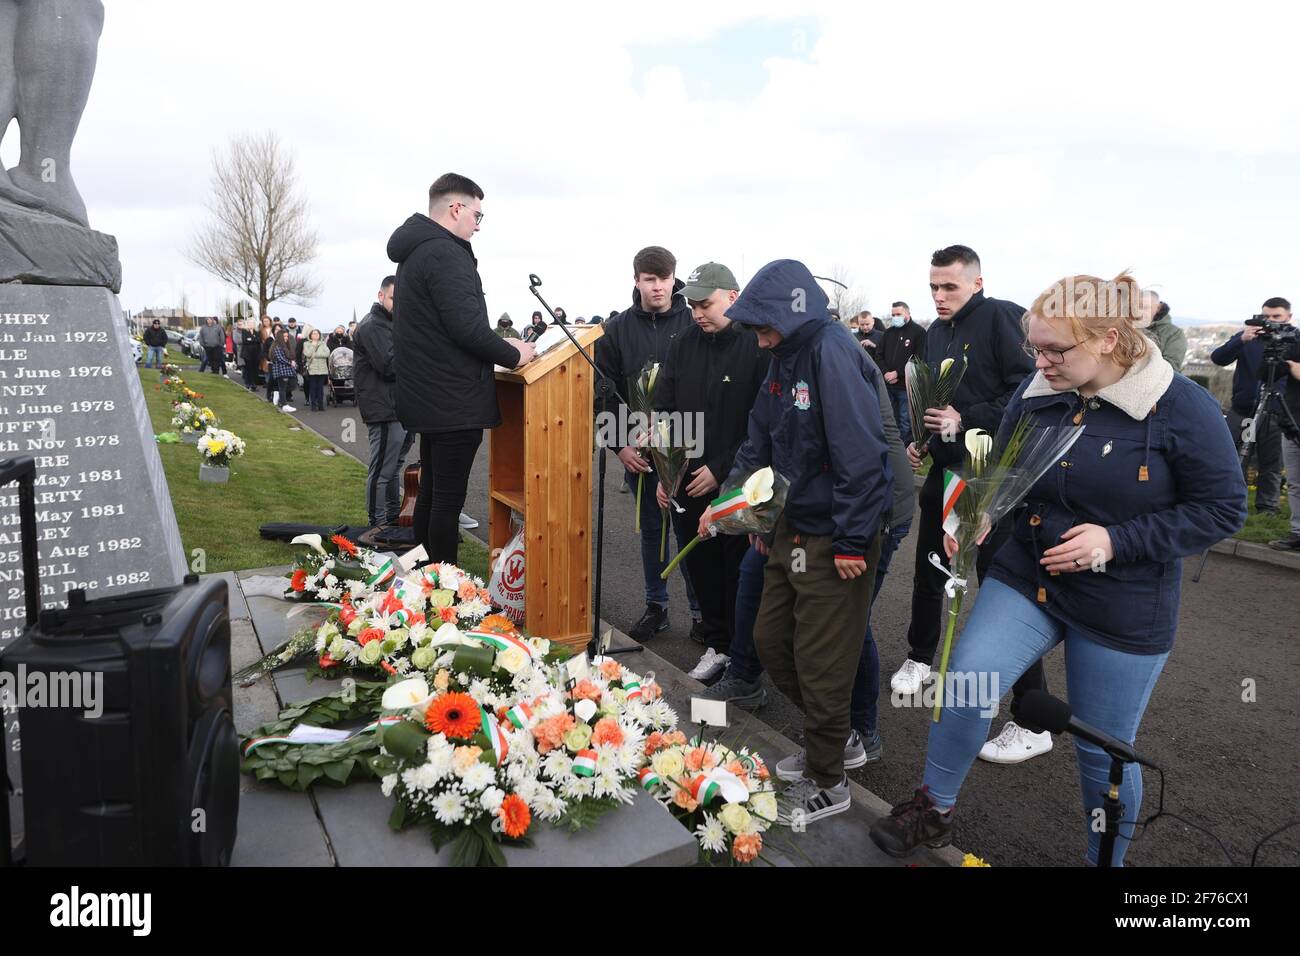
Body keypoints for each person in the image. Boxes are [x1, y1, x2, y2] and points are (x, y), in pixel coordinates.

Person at [870, 273, 1247, 864]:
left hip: (1124, 598)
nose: (1040, 362)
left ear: (1109, 339)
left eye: (1055, 350)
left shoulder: (1182, 407)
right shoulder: (1038, 388)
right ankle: (933, 807)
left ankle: (1107, 863)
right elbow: (1007, 467)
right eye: (1035, 348)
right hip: (1031, 572)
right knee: (967, 685)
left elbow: (1224, 509)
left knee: (1101, 749)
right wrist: (987, 508)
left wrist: (1117, 540)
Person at [700, 258, 890, 826]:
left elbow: (862, 454)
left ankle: (829, 779)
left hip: (838, 533)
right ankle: (834, 738)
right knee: (769, 639)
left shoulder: (832, 351)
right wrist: (746, 515)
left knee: (822, 658)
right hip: (791, 528)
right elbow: (760, 442)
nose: (757, 340)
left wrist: (855, 540)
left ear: (790, 312)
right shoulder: (783, 356)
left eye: (764, 326)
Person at [891, 245, 1052, 766]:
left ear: (977, 283)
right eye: (933, 287)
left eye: (950, 288)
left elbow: (1030, 390)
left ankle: (1032, 718)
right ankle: (920, 659)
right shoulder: (936, 331)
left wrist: (966, 415)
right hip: (945, 469)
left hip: (989, 475)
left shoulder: (1003, 318)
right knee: (928, 567)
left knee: (1001, 589)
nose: (938, 297)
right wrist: (924, 437)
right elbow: (934, 404)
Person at [387, 172, 535, 564]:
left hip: (432, 397)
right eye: (477, 215)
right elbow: (465, 327)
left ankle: (424, 577)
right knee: (445, 502)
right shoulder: (444, 252)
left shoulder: (419, 249)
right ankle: (445, 591)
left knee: (432, 494)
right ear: (456, 208)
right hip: (453, 399)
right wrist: (513, 352)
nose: (478, 224)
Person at [652, 263, 769, 683]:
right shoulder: (683, 343)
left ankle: (744, 658)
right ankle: (718, 646)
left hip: (738, 484)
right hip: (687, 481)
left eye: (705, 303)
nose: (698, 312)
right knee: (702, 572)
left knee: (739, 574)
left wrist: (721, 470)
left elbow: (761, 422)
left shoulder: (757, 346)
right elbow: (665, 409)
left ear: (733, 297)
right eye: (693, 304)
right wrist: (668, 472)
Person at [595, 245, 702, 642]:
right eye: (650, 279)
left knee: (689, 528)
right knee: (652, 531)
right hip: (638, 451)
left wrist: (688, 445)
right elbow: (603, 391)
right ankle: (656, 606)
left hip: (686, 445)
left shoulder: (693, 321)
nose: (658, 287)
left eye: (665, 278)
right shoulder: (617, 329)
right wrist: (619, 446)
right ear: (637, 281)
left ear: (675, 280)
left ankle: (700, 611)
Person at [1211, 298, 1294, 516]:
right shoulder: (1248, 338)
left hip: (1276, 412)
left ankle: (1267, 509)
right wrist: (1241, 339)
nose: (1271, 321)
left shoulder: (1294, 340)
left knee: (1271, 463)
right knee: (1235, 458)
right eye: (1266, 316)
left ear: (1289, 317)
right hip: (1245, 411)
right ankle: (1229, 505)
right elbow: (1219, 358)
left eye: (1276, 316)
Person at [354, 275, 416, 527]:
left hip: (398, 406)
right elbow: (390, 366)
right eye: (393, 298)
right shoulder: (372, 325)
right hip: (383, 408)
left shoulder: (393, 323)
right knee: (382, 470)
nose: (398, 304)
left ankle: (391, 517)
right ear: (381, 296)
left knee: (392, 468)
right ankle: (377, 523)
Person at [878, 301, 927, 448]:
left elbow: (919, 358)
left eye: (898, 314)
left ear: (907, 313)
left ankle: (906, 450)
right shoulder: (888, 333)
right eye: (893, 315)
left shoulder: (919, 332)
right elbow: (879, 355)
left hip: (906, 386)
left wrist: (898, 373)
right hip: (888, 385)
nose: (895, 317)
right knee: (889, 419)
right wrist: (886, 372)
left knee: (905, 421)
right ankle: (891, 448)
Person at [1135, 290, 1187, 372]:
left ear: (1158, 308)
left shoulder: (1175, 333)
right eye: (1136, 307)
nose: (1139, 311)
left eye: (1145, 307)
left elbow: (1171, 367)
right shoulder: (1129, 328)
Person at [269, 329, 298, 412]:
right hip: (281, 370)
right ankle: (284, 404)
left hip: (288, 369)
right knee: (283, 387)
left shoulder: (286, 346)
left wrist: (293, 362)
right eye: (284, 336)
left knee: (293, 384)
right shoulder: (277, 346)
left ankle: (278, 393)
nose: (286, 338)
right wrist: (290, 363)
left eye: (287, 336)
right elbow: (280, 358)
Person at [301, 327, 330, 411]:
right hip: (312, 369)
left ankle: (321, 405)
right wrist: (313, 346)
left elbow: (327, 353)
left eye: (317, 333)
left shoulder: (323, 343)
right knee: (313, 387)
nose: (315, 335)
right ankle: (313, 405)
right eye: (313, 333)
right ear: (310, 335)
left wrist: (316, 355)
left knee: (320, 388)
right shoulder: (306, 343)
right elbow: (307, 353)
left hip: (322, 369)